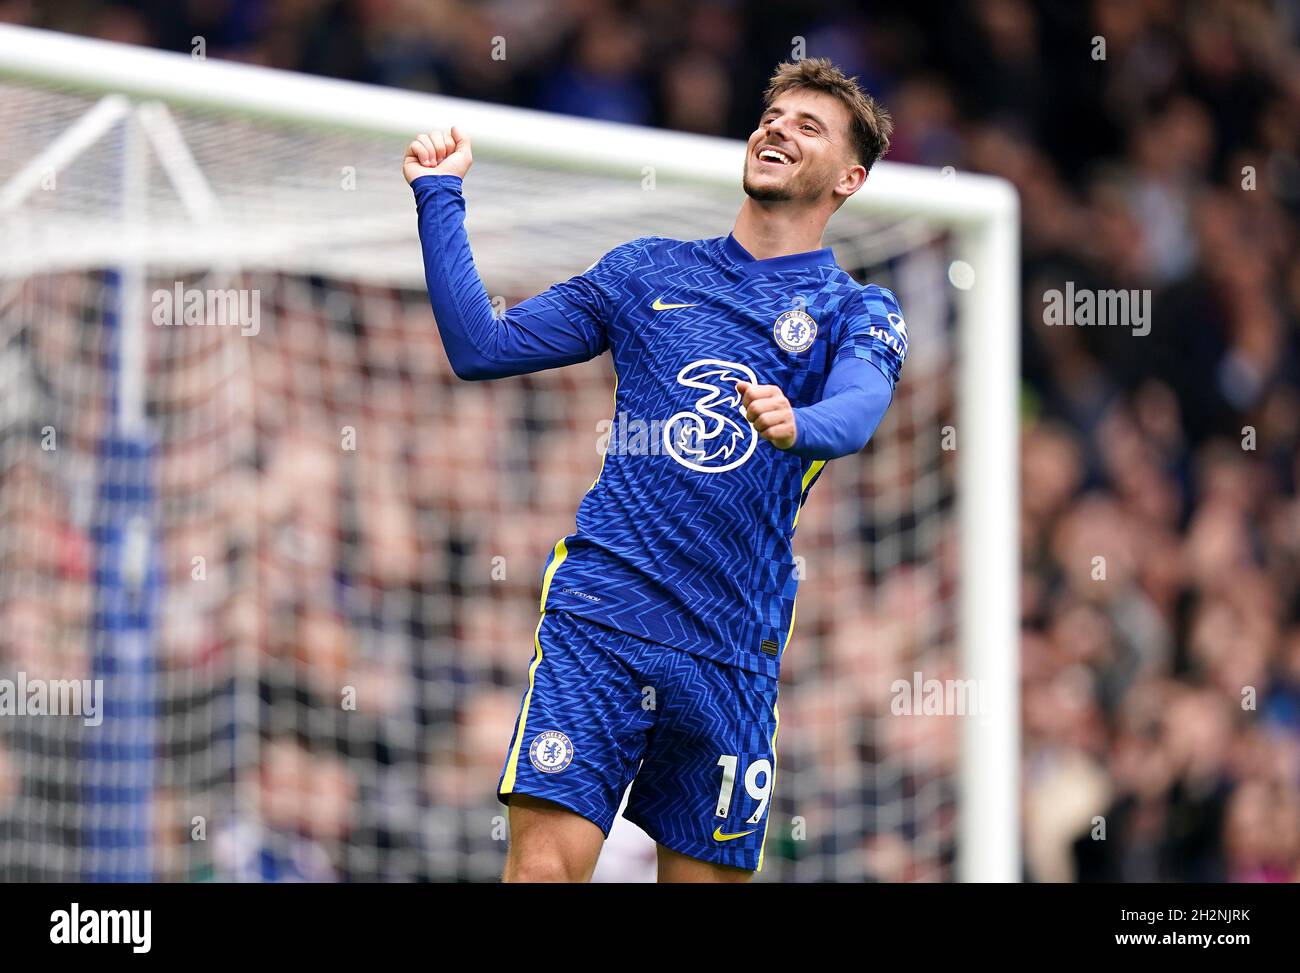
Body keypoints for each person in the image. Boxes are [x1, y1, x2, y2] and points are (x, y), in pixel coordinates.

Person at [405, 57, 907, 883]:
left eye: (807, 125)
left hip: (730, 650)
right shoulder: (646, 272)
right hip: (602, 615)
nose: (777, 127)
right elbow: (480, 347)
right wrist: (438, 196)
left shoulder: (855, 310)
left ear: (849, 178)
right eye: (773, 115)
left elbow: (857, 412)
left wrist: (798, 422)